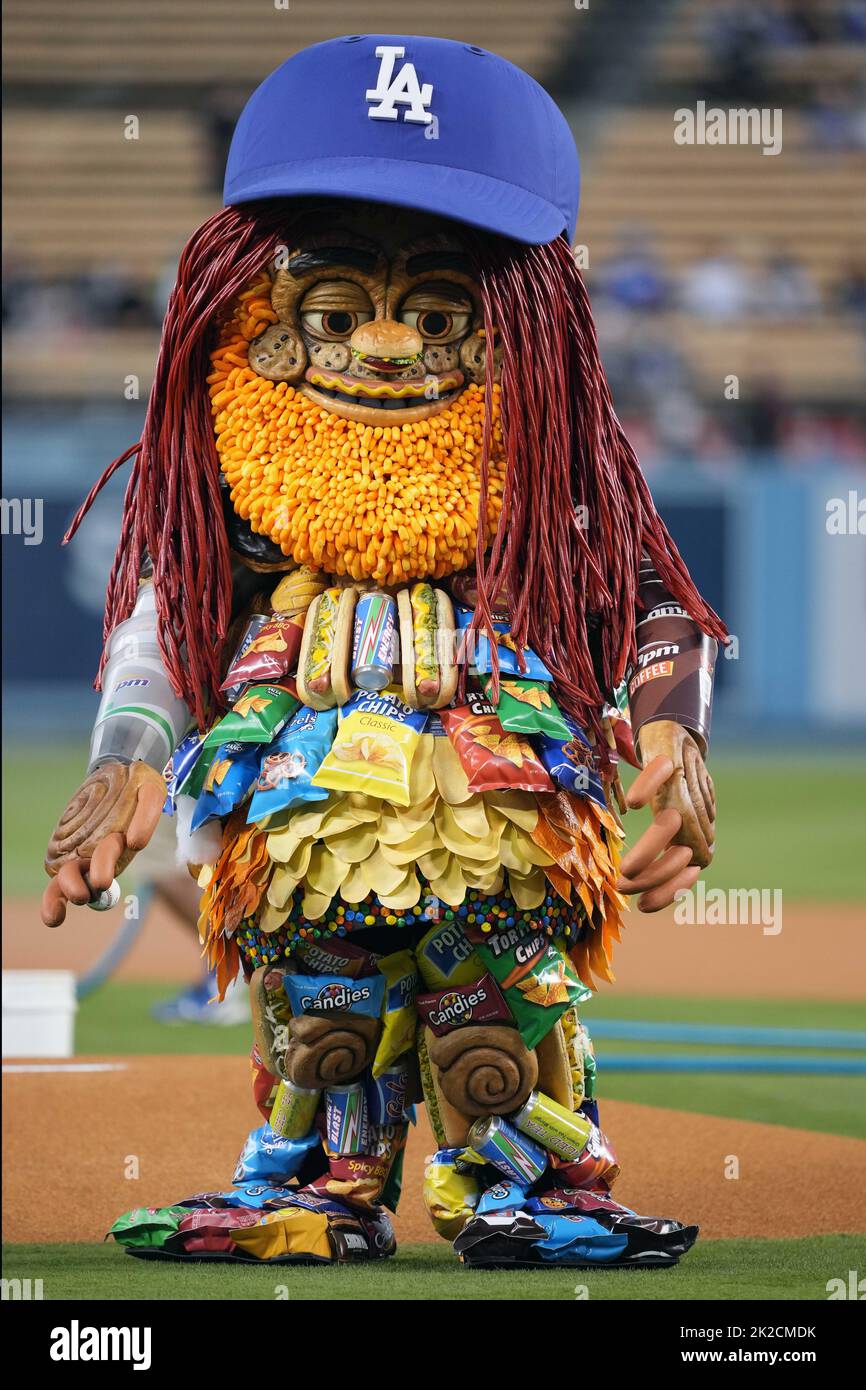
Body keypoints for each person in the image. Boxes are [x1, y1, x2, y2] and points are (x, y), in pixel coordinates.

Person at [41, 36, 725, 1268]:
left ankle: (530, 1180)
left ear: (519, 316)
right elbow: (172, 612)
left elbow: (654, 600)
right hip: (296, 801)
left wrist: (673, 738)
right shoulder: (241, 478)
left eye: (437, 313)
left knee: (493, 1021)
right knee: (322, 1020)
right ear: (264, 310)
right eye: (340, 311)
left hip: (498, 797)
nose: (389, 348)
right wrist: (124, 756)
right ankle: (314, 1182)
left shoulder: (552, 478)